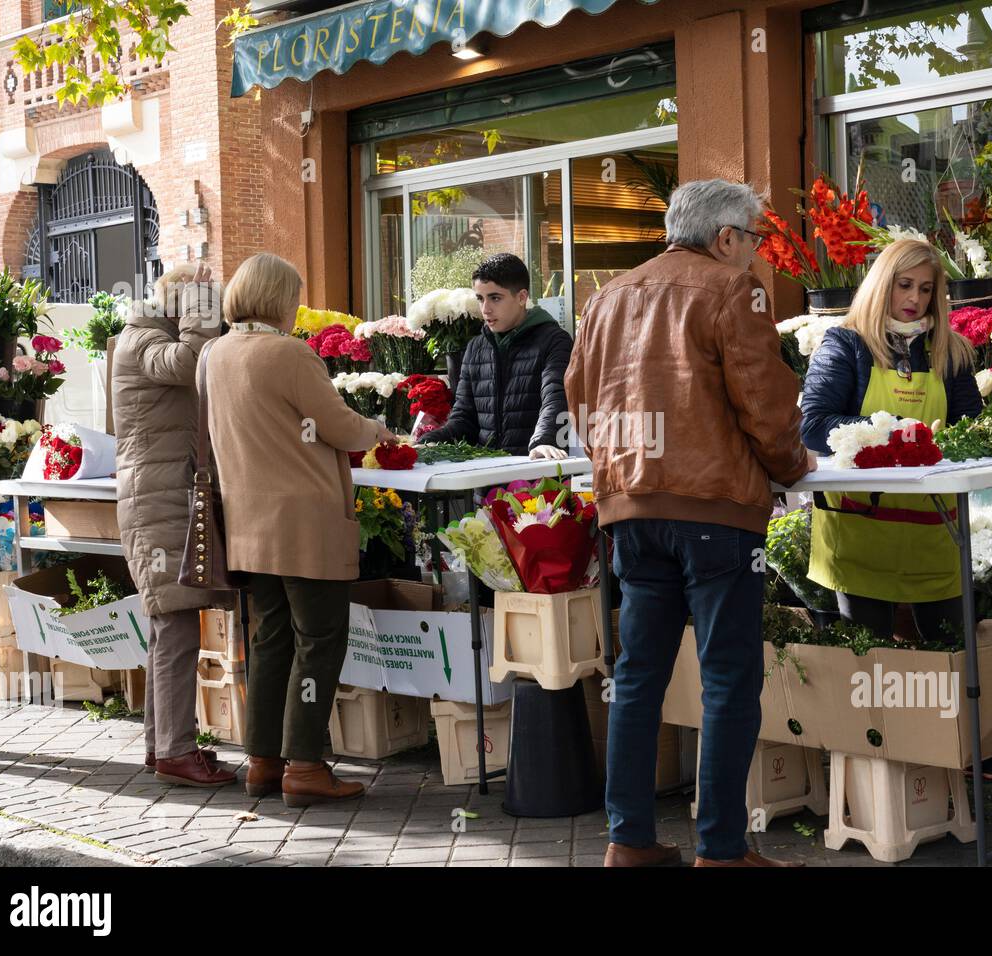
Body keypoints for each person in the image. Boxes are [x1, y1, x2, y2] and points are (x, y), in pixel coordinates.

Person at [566, 179, 816, 867]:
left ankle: (629, 842)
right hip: (715, 513)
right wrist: (793, 464)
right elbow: (764, 402)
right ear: (726, 237)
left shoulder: (608, 296)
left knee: (638, 677)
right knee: (728, 679)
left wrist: (619, 473)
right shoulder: (731, 291)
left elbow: (580, 398)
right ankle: (721, 851)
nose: (758, 253)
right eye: (756, 238)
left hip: (633, 510)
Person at [800, 237, 992, 782]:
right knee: (870, 659)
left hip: (935, 530)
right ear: (883, 284)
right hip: (861, 530)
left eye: (926, 290)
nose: (915, 299)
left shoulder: (946, 350)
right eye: (905, 286)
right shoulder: (846, 345)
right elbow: (814, 423)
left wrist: (945, 447)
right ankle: (876, 762)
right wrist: (884, 437)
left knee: (953, 649)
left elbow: (973, 430)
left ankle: (973, 747)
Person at [205, 253, 395, 806]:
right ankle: (306, 766)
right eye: (292, 296)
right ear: (276, 299)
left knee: (270, 641)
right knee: (318, 642)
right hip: (304, 524)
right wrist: (379, 428)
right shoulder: (288, 353)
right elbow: (338, 426)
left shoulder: (218, 353)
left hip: (249, 523)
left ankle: (263, 761)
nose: (295, 307)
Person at [113, 263, 237, 787]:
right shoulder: (143, 338)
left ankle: (161, 747)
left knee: (170, 628)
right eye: (201, 301)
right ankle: (176, 751)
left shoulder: (144, 334)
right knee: (176, 626)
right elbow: (188, 364)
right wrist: (203, 303)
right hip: (155, 500)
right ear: (181, 303)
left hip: (162, 495)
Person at [418, 253, 572, 459]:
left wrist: (544, 440)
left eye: (495, 298)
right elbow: (464, 418)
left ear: (522, 297)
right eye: (480, 298)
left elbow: (556, 398)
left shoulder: (555, 341)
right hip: (487, 479)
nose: (485, 309)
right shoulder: (475, 348)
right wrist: (428, 443)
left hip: (538, 474)